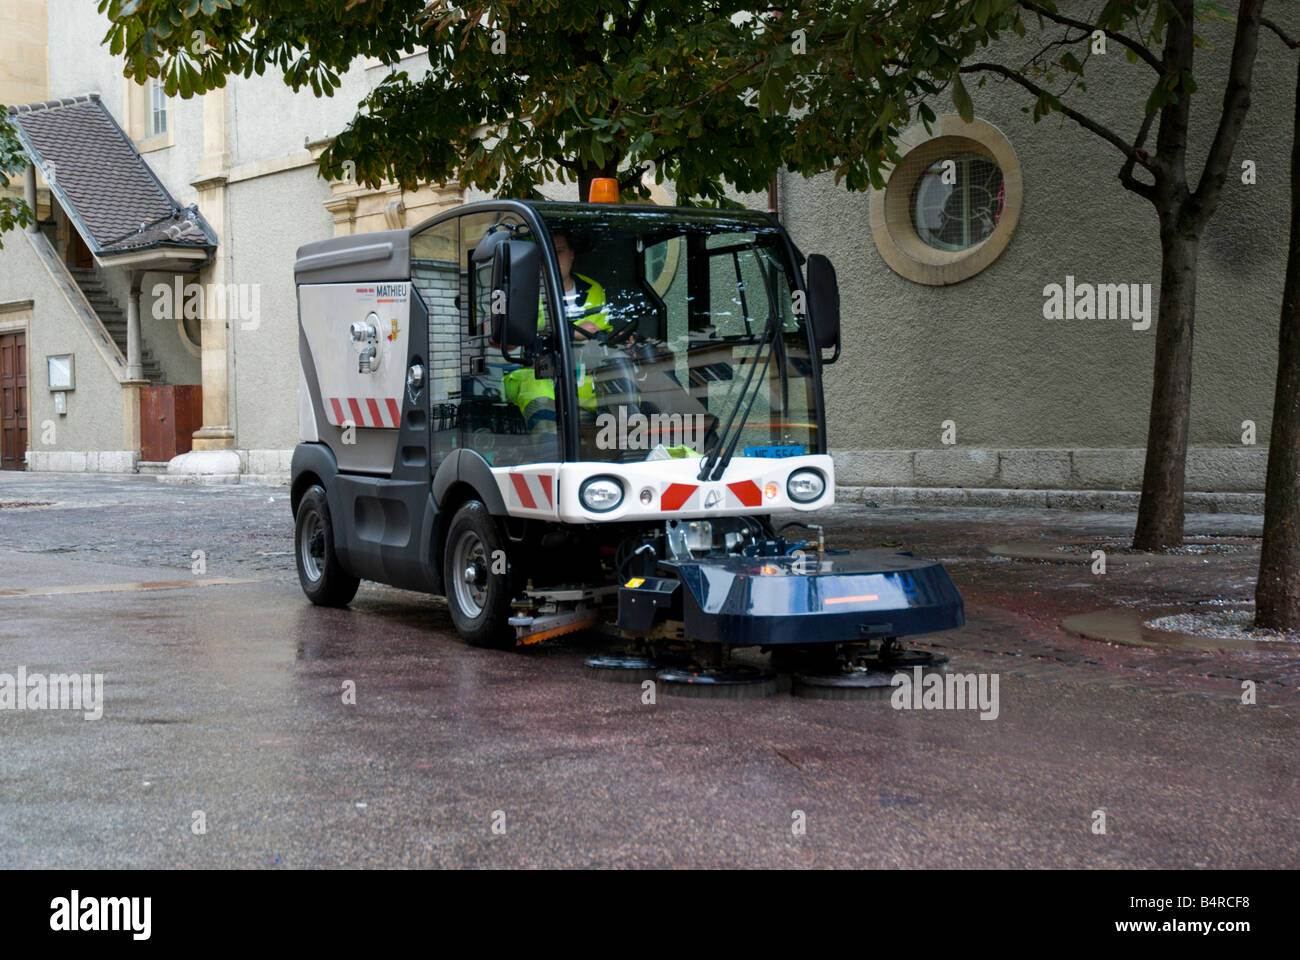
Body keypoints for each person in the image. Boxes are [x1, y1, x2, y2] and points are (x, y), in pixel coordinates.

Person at [503, 232, 611, 436]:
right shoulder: (528, 290)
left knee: (603, 434)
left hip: (583, 379)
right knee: (548, 436)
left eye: (559, 252)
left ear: (571, 254)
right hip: (539, 377)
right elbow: (517, 334)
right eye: (547, 253)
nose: (553, 258)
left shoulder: (593, 289)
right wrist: (571, 333)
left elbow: (603, 331)